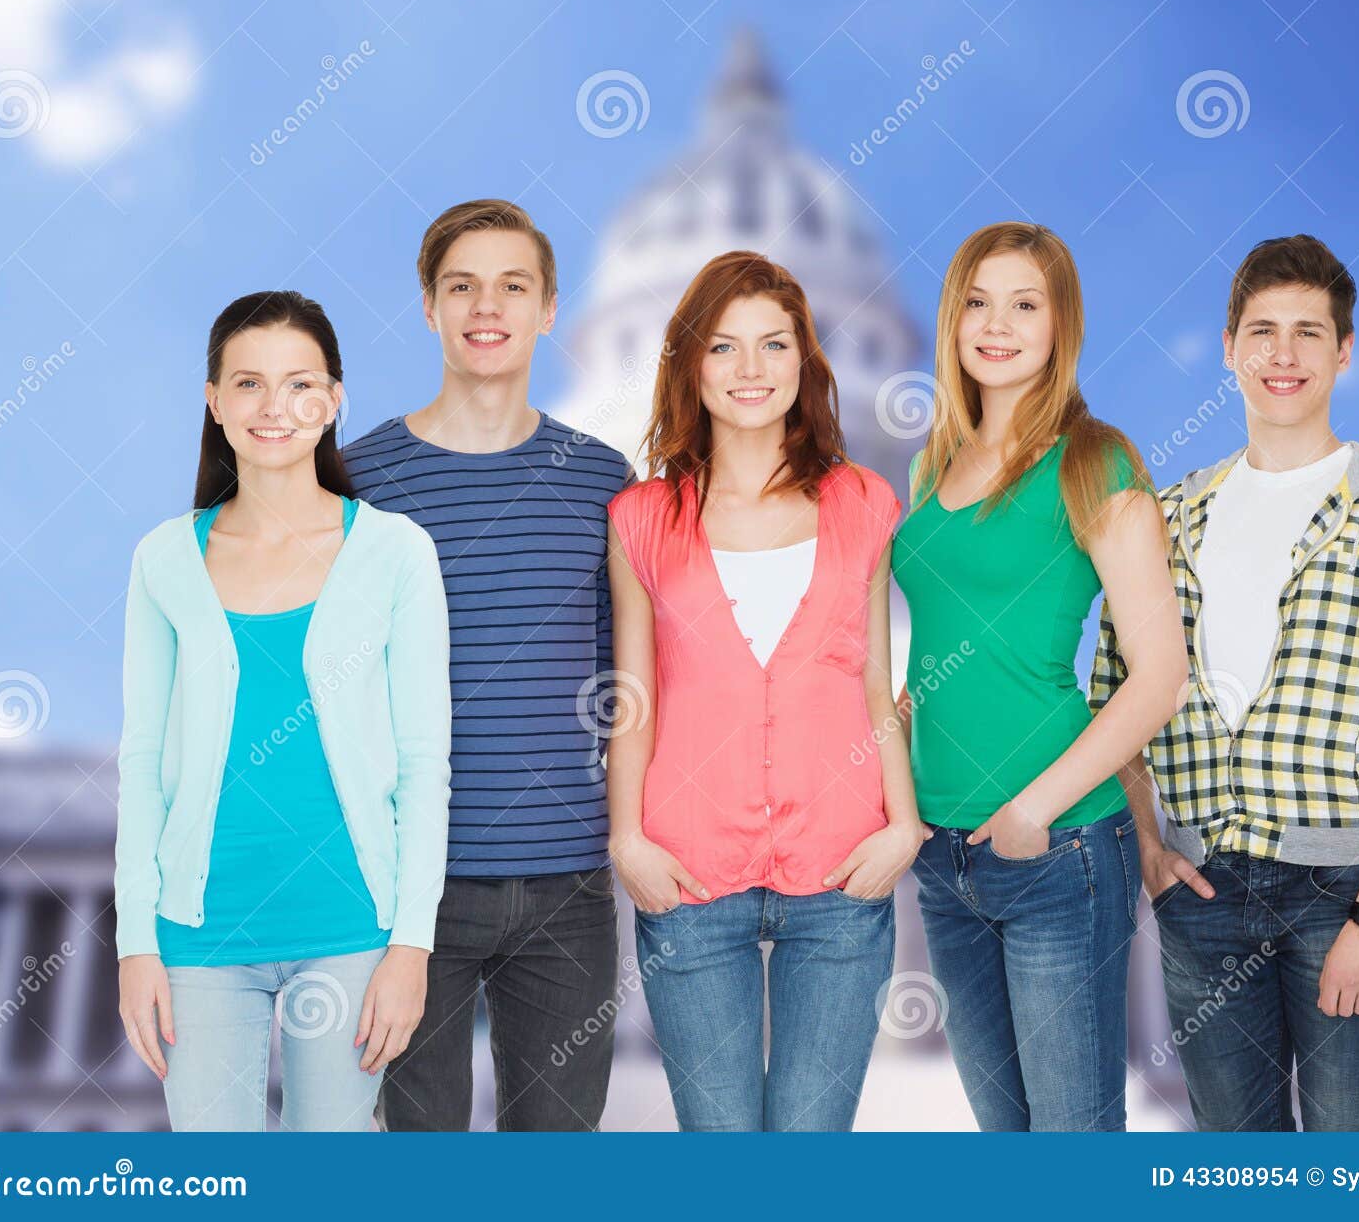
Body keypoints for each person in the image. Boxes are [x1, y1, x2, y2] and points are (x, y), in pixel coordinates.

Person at [1092, 234, 1359, 1131]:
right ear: (1229, 348)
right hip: (1201, 893)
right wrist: (1149, 849)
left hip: (1338, 893)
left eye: (1309, 332)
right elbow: (1115, 698)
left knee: (1353, 1161)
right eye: (1262, 331)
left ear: (1345, 352)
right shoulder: (1172, 513)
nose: (1283, 354)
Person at [115, 290, 452, 1132]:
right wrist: (135, 944)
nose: (276, 408)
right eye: (249, 384)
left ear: (334, 401)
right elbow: (140, 762)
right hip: (198, 934)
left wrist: (411, 945)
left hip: (349, 929)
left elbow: (423, 763)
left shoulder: (397, 553)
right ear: (215, 401)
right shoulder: (163, 559)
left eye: (301, 385)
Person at [605, 250, 921, 1132]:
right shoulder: (643, 517)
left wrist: (903, 825)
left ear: (805, 362)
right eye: (724, 348)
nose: (751, 371)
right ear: (690, 366)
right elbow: (634, 690)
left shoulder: (864, 500)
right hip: (689, 873)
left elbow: (872, 677)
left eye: (773, 345)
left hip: (842, 871)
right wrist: (626, 838)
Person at [344, 200, 634, 1131]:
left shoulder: (602, 477)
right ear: (428, 307)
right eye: (462, 285)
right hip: (406, 898)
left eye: (514, 285)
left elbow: (618, 682)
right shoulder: (357, 480)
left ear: (550, 309)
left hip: (569, 893)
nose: (487, 306)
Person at [891, 221, 1187, 1131]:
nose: (997, 324)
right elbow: (946, 647)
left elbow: (1160, 675)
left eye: (1026, 304)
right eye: (977, 302)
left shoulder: (1095, 460)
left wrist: (1033, 811)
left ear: (1062, 326)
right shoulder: (928, 465)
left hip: (1057, 849)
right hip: (944, 857)